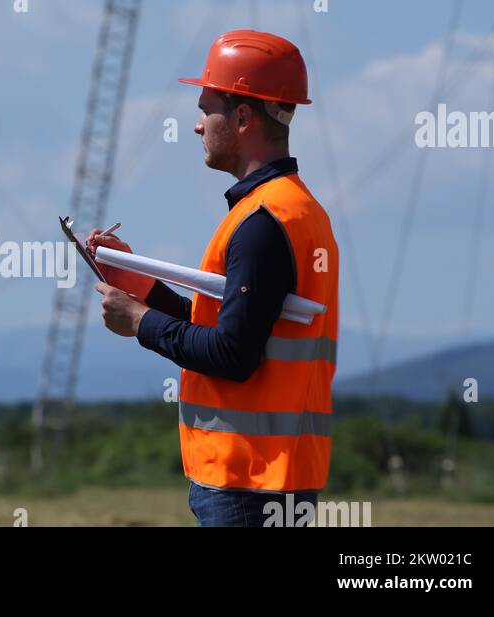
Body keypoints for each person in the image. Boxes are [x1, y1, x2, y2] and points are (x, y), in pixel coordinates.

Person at [87, 30, 339, 527]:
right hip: (273, 479)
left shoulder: (262, 222)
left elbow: (232, 354)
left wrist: (138, 322)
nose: (198, 126)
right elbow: (233, 324)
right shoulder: (293, 210)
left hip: (248, 483)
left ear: (243, 116)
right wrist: (140, 284)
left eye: (206, 108)